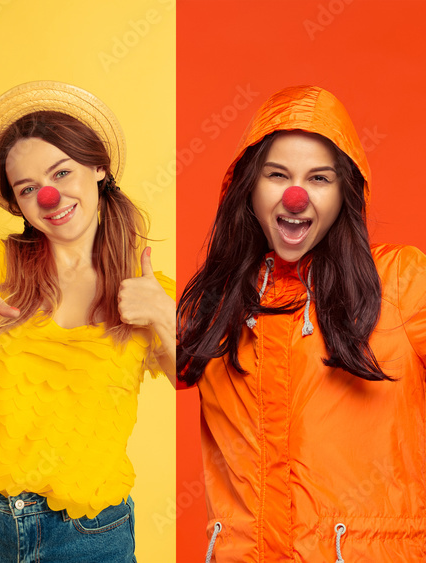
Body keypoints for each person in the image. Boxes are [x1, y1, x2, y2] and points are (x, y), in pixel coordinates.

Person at [0, 81, 176, 562]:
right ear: (18, 203)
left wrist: (165, 317)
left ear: (99, 168)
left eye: (62, 172)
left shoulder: (150, 288)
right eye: (27, 188)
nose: (48, 195)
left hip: (91, 536)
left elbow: (192, 376)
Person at [177, 85, 426, 562]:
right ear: (249, 186)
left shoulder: (401, 283)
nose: (296, 195)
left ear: (343, 193)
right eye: (278, 175)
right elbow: (124, 357)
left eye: (319, 178)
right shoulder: (220, 301)